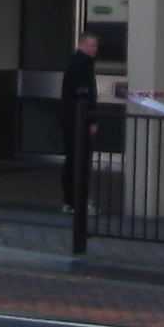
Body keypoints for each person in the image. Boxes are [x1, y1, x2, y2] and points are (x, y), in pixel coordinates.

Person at [59, 30, 101, 207]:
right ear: (82, 45)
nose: (95, 49)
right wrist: (91, 120)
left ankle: (71, 200)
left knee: (74, 159)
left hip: (72, 118)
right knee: (80, 160)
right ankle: (77, 200)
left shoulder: (81, 63)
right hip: (77, 120)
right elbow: (84, 96)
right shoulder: (80, 65)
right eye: (92, 46)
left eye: (96, 46)